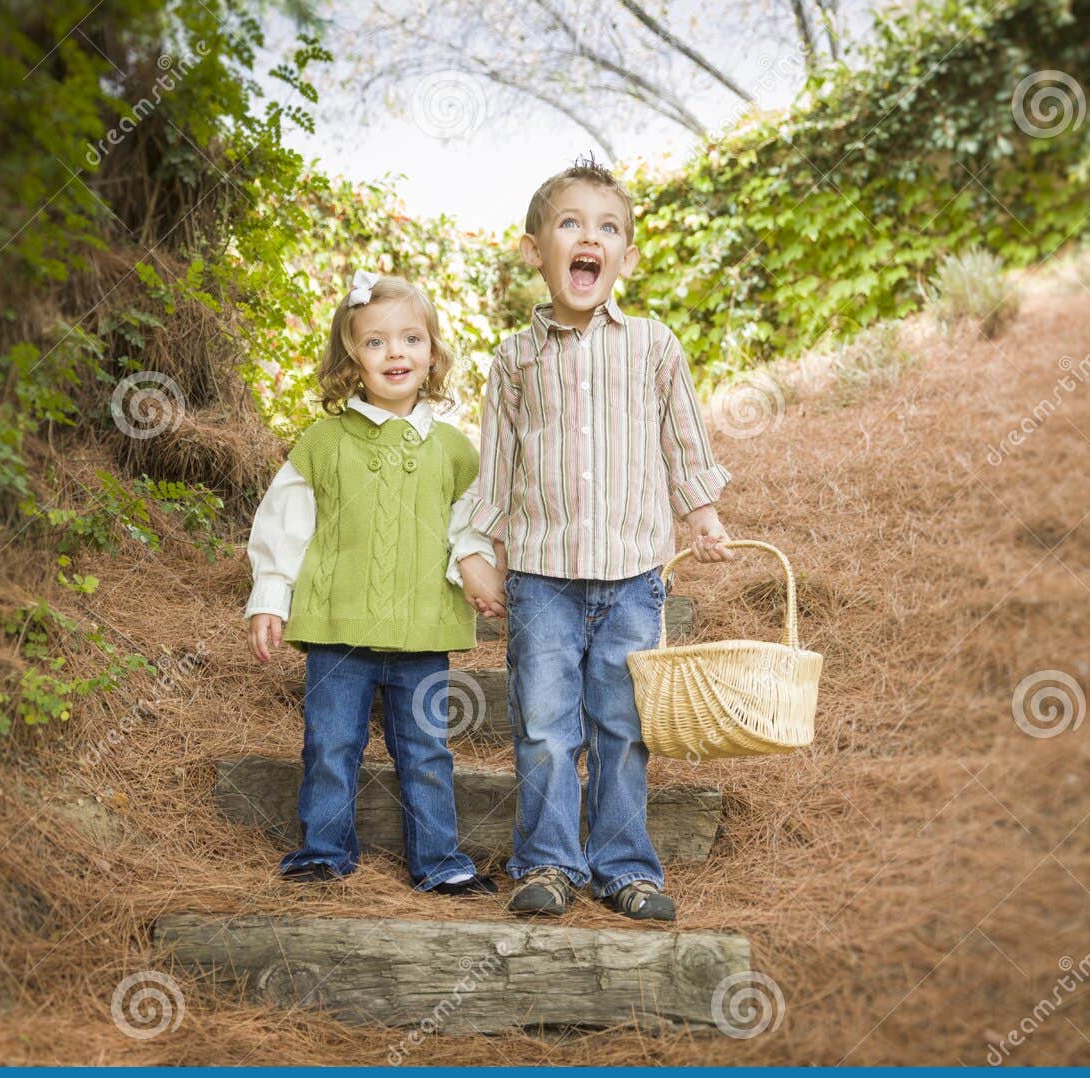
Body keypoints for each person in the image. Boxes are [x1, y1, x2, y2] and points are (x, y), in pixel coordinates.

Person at [451, 160, 734, 922]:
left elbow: (683, 435)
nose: (590, 238)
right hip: (541, 576)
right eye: (571, 224)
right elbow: (498, 464)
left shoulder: (651, 344)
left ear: (627, 259)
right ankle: (546, 863)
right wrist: (480, 545)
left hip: (632, 577)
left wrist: (701, 508)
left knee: (622, 726)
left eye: (608, 228)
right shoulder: (514, 358)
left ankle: (624, 866)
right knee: (545, 726)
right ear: (533, 249)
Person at [246, 271, 496, 896]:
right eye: (377, 342)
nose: (396, 353)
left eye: (411, 339)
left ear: (432, 353)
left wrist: (474, 568)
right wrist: (272, 597)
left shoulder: (455, 450)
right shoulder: (324, 443)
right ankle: (324, 850)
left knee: (427, 753)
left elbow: (469, 526)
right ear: (352, 358)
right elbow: (284, 525)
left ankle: (438, 860)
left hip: (422, 630)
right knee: (331, 744)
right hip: (339, 629)